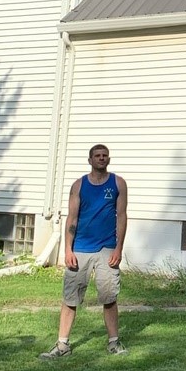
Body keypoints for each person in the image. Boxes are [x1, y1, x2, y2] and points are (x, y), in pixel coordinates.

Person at [40, 144, 128, 359]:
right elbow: (72, 218)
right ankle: (62, 345)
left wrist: (118, 248)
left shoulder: (118, 183)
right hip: (80, 249)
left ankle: (114, 342)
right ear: (89, 160)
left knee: (109, 297)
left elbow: (122, 216)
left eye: (105, 156)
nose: (101, 158)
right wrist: (67, 250)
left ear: (109, 159)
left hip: (107, 249)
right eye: (97, 156)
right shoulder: (79, 185)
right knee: (71, 298)